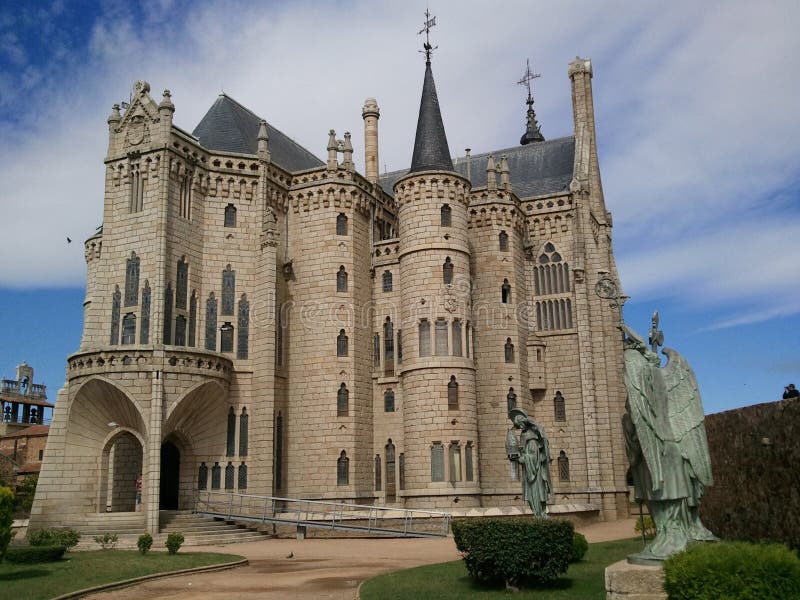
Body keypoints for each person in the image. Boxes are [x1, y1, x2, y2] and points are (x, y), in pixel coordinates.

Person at [506, 408, 551, 517]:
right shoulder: (524, 434)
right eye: (518, 425)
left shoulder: (531, 438)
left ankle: (540, 515)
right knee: (531, 498)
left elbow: (534, 457)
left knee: (535, 496)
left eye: (520, 424)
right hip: (528, 472)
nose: (519, 427)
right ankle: (537, 515)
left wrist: (522, 459)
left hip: (534, 474)